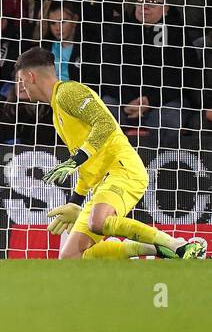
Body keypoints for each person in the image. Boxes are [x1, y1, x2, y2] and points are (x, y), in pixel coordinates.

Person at [14, 46, 205, 261]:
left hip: (122, 168)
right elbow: (88, 163)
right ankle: (154, 249)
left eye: (21, 80)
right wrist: (75, 200)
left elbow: (104, 123)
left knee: (98, 221)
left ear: (30, 76)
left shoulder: (68, 92)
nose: (20, 87)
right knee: (70, 258)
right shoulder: (57, 111)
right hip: (102, 181)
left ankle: (178, 245)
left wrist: (78, 158)